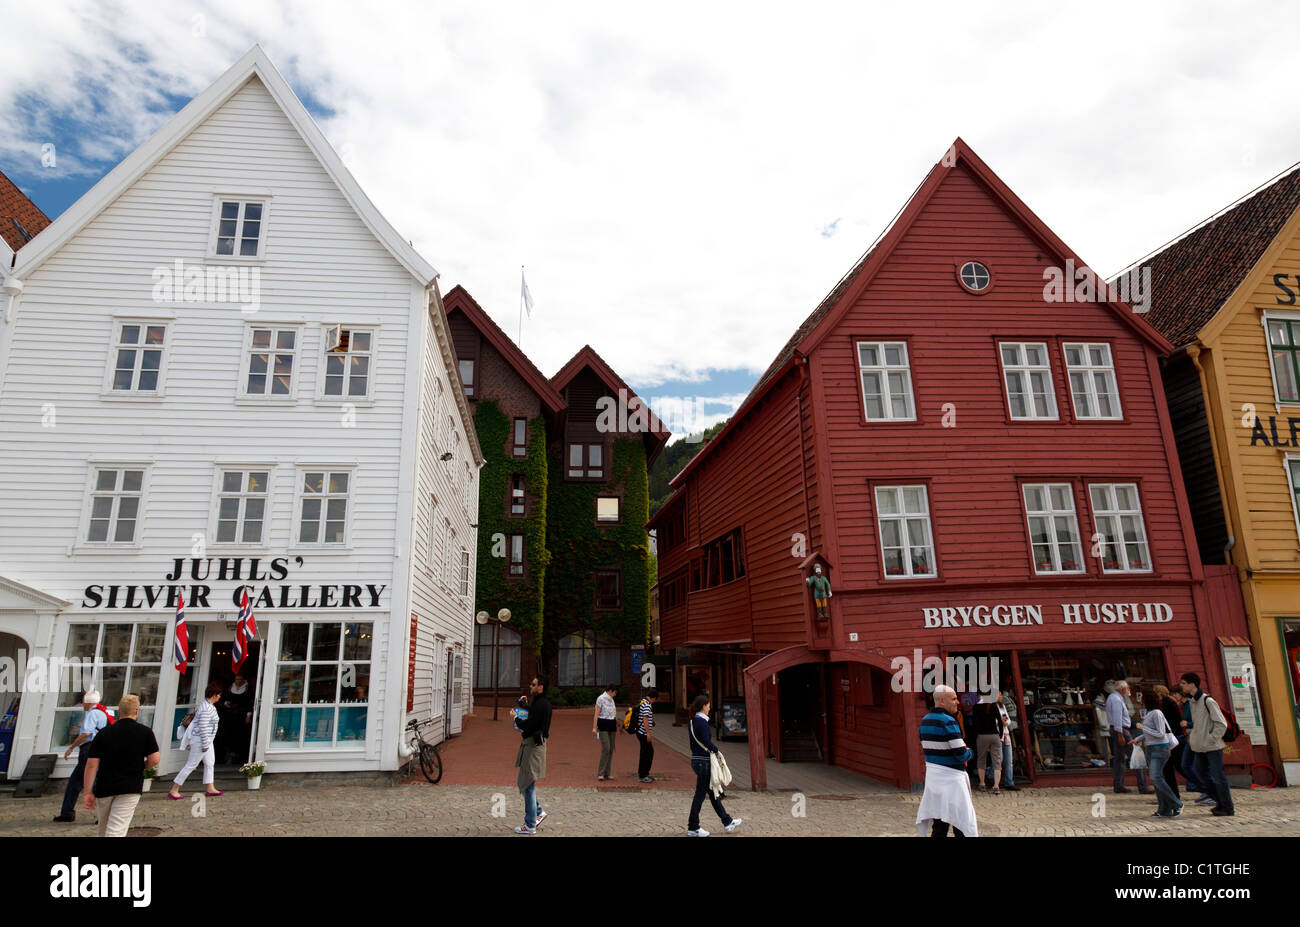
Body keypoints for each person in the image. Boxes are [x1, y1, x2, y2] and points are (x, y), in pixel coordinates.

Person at [83, 695, 161, 837]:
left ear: (119, 712)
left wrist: (87, 791)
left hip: (105, 786)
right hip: (130, 786)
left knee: (103, 828)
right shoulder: (145, 732)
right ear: (136, 711)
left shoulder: (104, 733)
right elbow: (155, 759)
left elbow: (91, 765)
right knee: (116, 830)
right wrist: (143, 767)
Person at [916, 685, 977, 837]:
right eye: (954, 699)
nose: (958, 702)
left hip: (934, 779)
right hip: (952, 779)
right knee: (961, 822)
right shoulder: (948, 721)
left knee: (939, 824)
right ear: (942, 700)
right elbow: (961, 754)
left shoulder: (924, 721)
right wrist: (970, 752)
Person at [1179, 672, 1234, 816]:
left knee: (1218, 776)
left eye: (1184, 683)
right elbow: (1199, 724)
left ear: (1192, 684)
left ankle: (1227, 807)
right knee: (1199, 773)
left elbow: (1221, 724)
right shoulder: (1192, 702)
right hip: (1199, 746)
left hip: (1212, 746)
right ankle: (1218, 801)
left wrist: (1211, 738)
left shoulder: (1207, 701)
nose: (1181, 686)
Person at [686, 695, 741, 836]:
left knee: (713, 792)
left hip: (696, 759)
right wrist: (716, 750)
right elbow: (706, 741)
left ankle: (727, 822)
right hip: (704, 761)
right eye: (708, 705)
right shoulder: (702, 722)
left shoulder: (692, 722)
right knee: (700, 795)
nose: (710, 707)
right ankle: (693, 827)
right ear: (703, 706)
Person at [54, 689, 111, 823]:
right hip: (100, 749)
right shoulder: (104, 712)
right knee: (79, 782)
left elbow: (86, 734)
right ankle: (68, 812)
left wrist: (72, 747)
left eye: (83, 702)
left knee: (86, 782)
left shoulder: (92, 714)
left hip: (89, 750)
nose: (82, 704)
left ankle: (101, 815)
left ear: (87, 702)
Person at [169, 682, 224, 799]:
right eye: (219, 694)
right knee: (191, 765)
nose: (220, 696)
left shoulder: (207, 706)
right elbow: (203, 727)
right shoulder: (206, 708)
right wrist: (205, 744)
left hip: (206, 740)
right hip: (201, 741)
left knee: (210, 763)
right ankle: (174, 789)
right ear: (214, 695)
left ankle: (210, 787)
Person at [513, 676, 552, 834]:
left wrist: (516, 719)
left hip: (533, 747)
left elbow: (529, 725)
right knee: (525, 782)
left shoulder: (541, 705)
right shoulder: (541, 703)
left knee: (527, 784)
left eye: (533, 684)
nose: (530, 686)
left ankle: (530, 825)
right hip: (534, 745)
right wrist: (524, 706)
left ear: (540, 687)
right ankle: (538, 812)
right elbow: (533, 717)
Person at [1137, 689, 1182, 819]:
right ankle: (1164, 809)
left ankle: (1176, 804)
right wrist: (1139, 739)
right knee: (1156, 779)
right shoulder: (1149, 713)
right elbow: (1150, 733)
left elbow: (1160, 733)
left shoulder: (1156, 713)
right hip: (1151, 748)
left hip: (1160, 748)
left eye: (1142, 698)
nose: (1140, 700)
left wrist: (1142, 728)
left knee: (1156, 777)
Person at [1105, 681, 1153, 794]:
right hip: (1121, 730)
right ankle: (1143, 785)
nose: (1129, 690)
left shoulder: (1114, 698)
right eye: (1127, 688)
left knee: (1120, 758)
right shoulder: (1116, 699)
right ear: (1122, 689)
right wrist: (1120, 734)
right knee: (1135, 757)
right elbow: (1117, 717)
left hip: (1118, 729)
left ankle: (1118, 784)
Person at [1153, 684, 1182, 803]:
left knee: (1172, 768)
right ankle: (1172, 795)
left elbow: (1168, 723)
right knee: (1171, 768)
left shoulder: (1166, 704)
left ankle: (1172, 796)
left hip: (1169, 740)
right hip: (1172, 738)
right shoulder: (1169, 703)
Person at [1173, 690, 1206, 795]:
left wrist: (1188, 724)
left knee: (1195, 764)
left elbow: (1199, 720)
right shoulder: (1182, 705)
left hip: (1196, 736)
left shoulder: (1190, 704)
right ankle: (1199, 787)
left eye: (1175, 693)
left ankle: (1205, 789)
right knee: (1186, 764)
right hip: (1188, 736)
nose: (1174, 696)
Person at [219, 672, 254, 764]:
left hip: (241, 715)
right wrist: (226, 703)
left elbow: (250, 703)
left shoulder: (248, 689)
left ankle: (239, 756)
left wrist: (248, 715)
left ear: (243, 680)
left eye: (239, 679)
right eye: (236, 679)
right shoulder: (230, 687)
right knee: (228, 734)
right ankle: (229, 754)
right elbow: (224, 698)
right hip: (230, 714)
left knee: (240, 735)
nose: (237, 681)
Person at [972, 694, 1003, 794]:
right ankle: (996, 786)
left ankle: (982, 783)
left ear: (980, 696)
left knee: (981, 759)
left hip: (982, 735)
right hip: (994, 735)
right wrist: (1000, 734)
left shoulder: (976, 707)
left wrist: (976, 734)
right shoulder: (993, 705)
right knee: (997, 761)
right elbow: (1000, 721)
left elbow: (974, 723)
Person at [593, 683, 618, 780]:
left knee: (611, 749)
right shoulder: (601, 699)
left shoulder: (612, 700)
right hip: (603, 725)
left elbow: (614, 713)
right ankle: (601, 773)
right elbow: (596, 713)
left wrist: (618, 725)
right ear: (610, 691)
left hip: (612, 725)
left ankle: (607, 773)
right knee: (606, 748)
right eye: (615, 692)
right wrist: (594, 727)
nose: (615, 694)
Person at [636, 687, 656, 783]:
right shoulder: (647, 705)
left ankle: (643, 773)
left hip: (640, 732)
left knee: (645, 752)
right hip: (643, 733)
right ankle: (643, 775)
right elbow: (645, 719)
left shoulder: (642, 701)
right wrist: (648, 733)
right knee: (648, 753)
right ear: (653, 698)